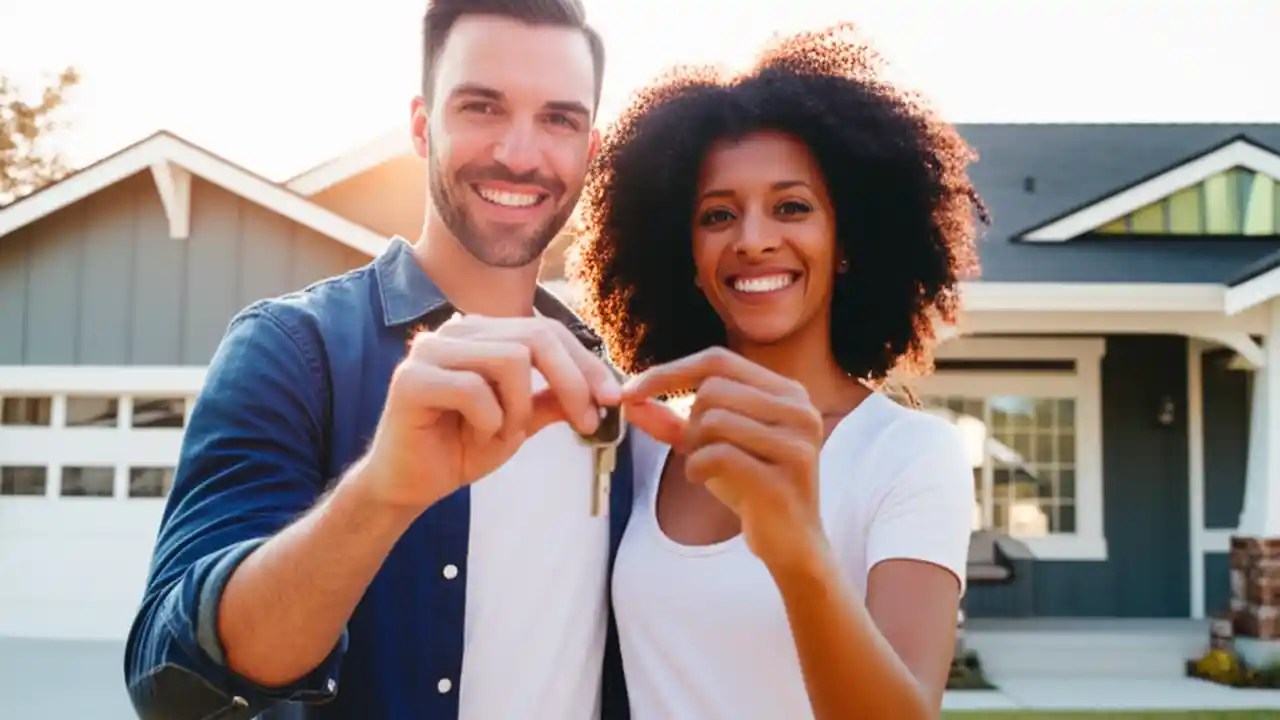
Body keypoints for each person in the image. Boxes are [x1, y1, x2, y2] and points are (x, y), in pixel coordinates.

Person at [123, 1, 637, 718]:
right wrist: (381, 494)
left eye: (559, 118)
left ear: (588, 147)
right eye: (482, 107)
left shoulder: (609, 394)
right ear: (422, 127)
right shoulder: (291, 349)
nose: (520, 154)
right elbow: (168, 680)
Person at [569, 22, 987, 720]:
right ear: (688, 258)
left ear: (847, 241)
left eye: (792, 207)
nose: (754, 240)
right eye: (717, 215)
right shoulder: (645, 444)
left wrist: (796, 546)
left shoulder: (909, 458)